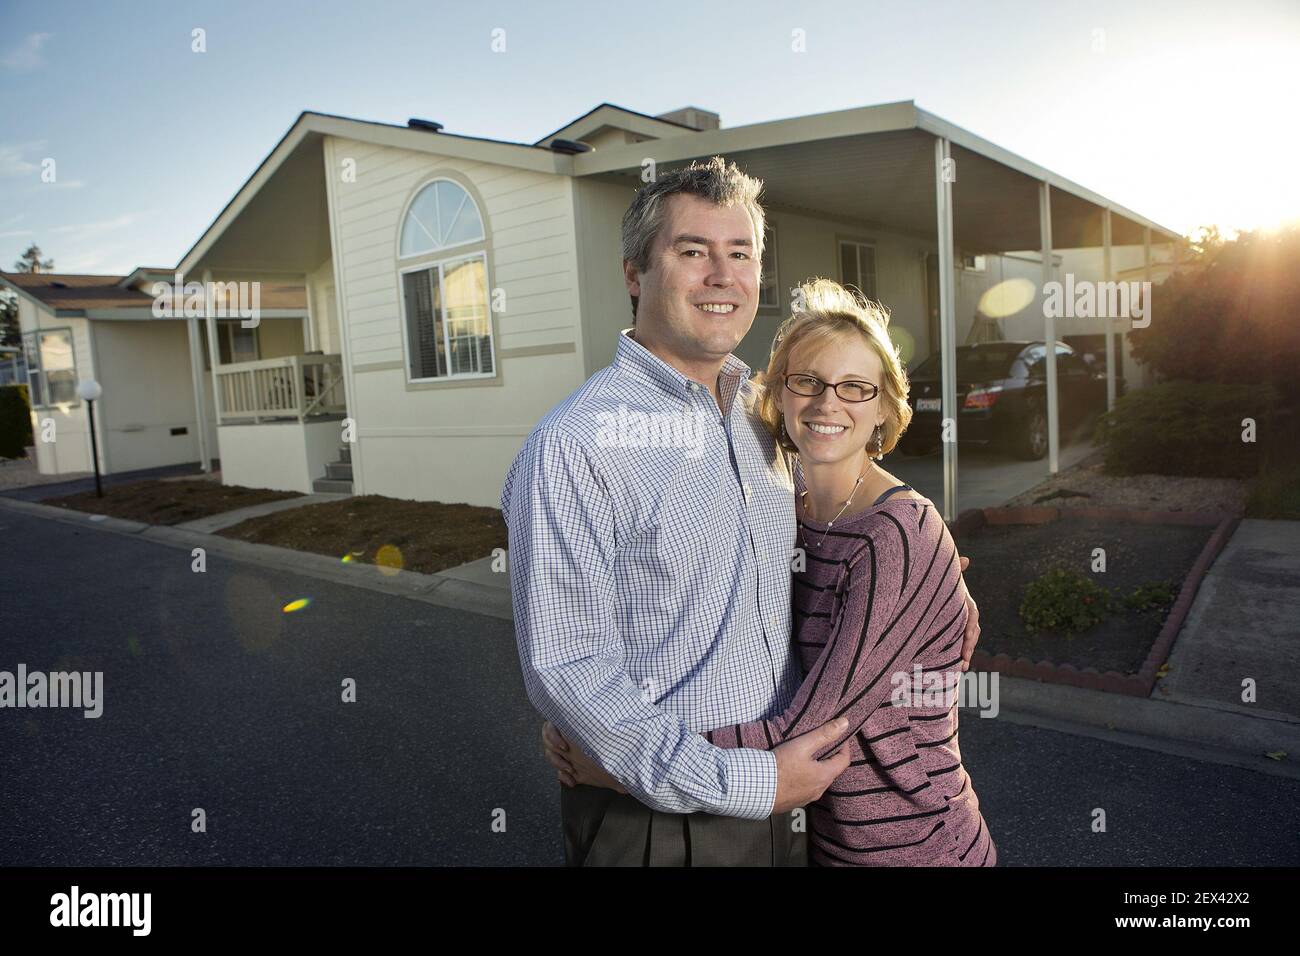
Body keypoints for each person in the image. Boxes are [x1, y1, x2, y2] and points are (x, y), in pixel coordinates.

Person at [501, 156, 981, 866]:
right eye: (693, 251)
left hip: (794, 808)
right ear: (635, 274)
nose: (722, 275)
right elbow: (569, 669)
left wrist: (942, 592)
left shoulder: (762, 422)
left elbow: (839, 569)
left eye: (741, 254)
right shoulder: (575, 445)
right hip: (667, 822)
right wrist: (711, 775)